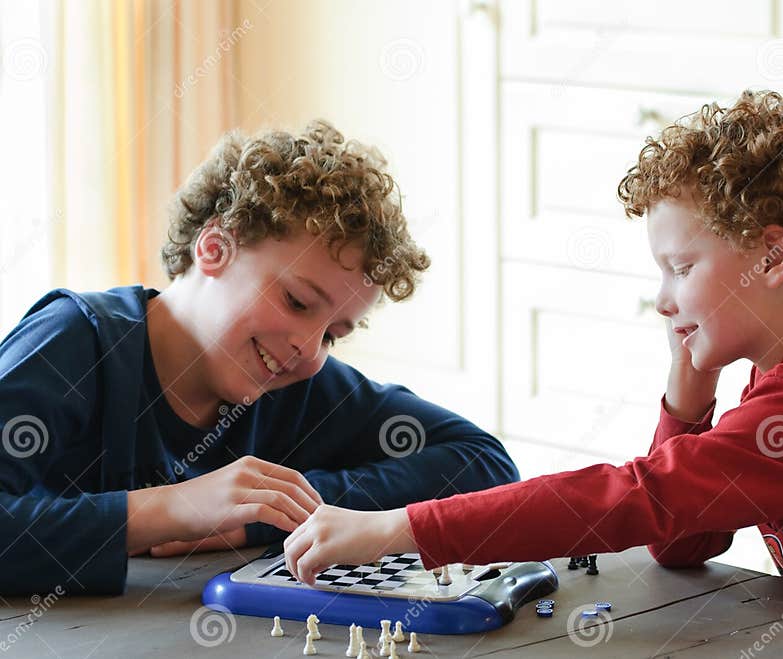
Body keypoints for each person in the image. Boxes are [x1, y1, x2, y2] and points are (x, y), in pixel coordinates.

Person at [282, 92, 783, 622]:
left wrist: (397, 527)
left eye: (681, 266)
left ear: (774, 255)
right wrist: (691, 387)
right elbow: (684, 538)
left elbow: (640, 497)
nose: (663, 297)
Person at [0, 120, 518, 595]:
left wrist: (271, 507)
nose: (308, 349)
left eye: (334, 334)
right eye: (296, 302)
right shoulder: (76, 339)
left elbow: (484, 464)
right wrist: (173, 508)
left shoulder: (298, 383)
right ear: (214, 248)